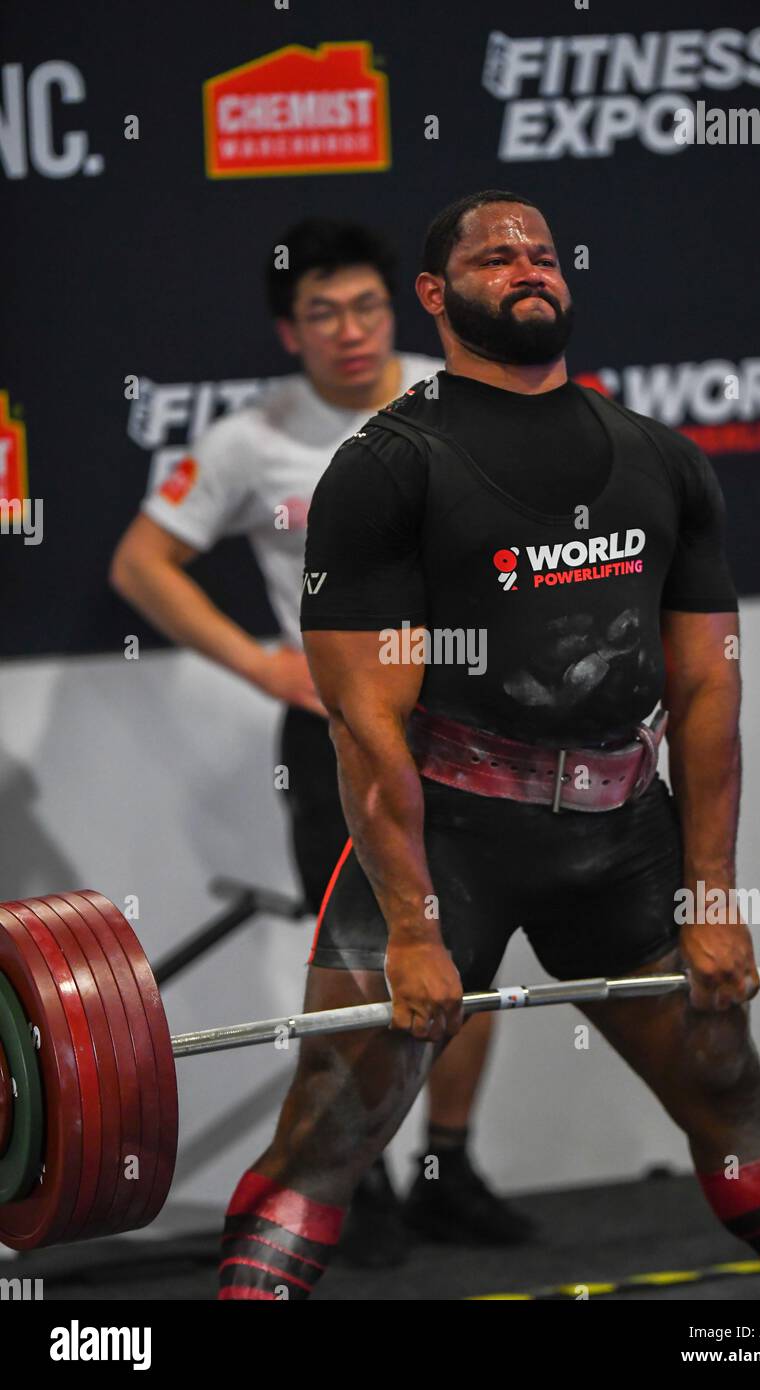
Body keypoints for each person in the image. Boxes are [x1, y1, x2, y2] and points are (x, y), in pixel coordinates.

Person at [215, 189, 760, 1302]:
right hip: (449, 841)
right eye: (493, 254)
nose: (528, 265)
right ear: (436, 295)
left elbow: (707, 687)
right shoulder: (384, 467)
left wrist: (712, 904)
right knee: (331, 1127)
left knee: (728, 1094)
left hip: (620, 843)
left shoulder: (659, 458)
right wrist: (416, 929)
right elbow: (365, 723)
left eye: (543, 252)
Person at [109, 217, 531, 1267]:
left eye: (366, 307)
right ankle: (366, 1183)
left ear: (406, 307)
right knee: (366, 960)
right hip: (339, 731)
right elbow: (141, 564)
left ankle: (448, 1165)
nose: (348, 330)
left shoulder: (462, 396)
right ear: (287, 331)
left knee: (471, 958)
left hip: (474, 719)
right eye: (320, 313)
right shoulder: (249, 439)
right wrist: (260, 665)